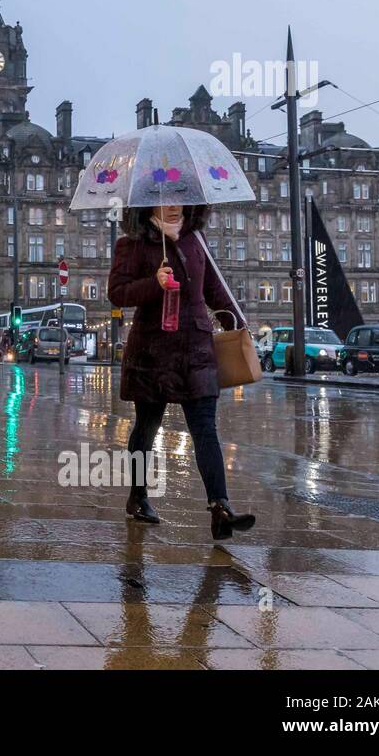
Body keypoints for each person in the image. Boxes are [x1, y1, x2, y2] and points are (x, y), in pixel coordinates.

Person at [107, 203, 256, 540]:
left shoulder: (196, 239)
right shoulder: (131, 243)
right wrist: (153, 283)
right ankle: (138, 497)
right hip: (152, 350)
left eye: (180, 197)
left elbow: (215, 290)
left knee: (204, 426)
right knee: (147, 426)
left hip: (196, 349)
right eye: (166, 198)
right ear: (149, 203)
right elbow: (117, 293)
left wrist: (240, 324)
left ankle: (220, 507)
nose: (174, 205)